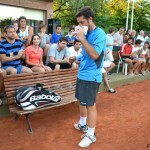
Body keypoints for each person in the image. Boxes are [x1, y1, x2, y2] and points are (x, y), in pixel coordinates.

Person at [70, 6, 106, 148]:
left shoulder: (99, 34)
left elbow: (96, 55)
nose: (80, 26)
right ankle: (83, 124)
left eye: (82, 22)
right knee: (81, 101)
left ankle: (91, 134)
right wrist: (76, 56)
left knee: (90, 105)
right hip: (83, 73)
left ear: (90, 19)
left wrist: (82, 39)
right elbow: (86, 54)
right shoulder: (86, 33)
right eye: (78, 23)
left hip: (91, 76)